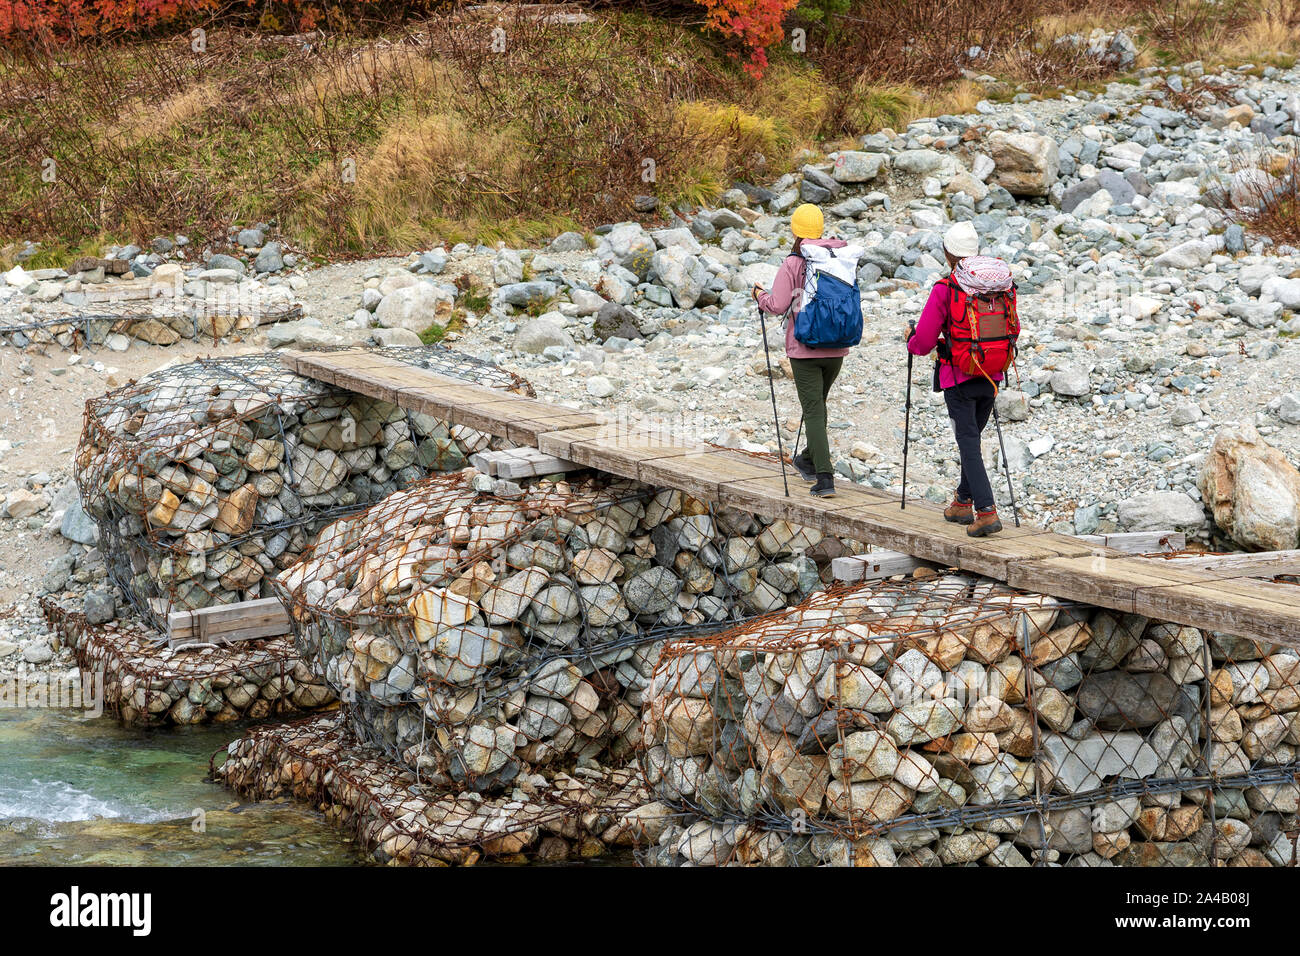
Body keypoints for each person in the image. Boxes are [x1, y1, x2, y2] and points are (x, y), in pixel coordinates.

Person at [906, 221, 1006, 537]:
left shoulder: (946, 288)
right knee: (972, 440)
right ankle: (962, 503)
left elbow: (922, 343)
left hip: (959, 377)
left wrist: (910, 339)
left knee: (968, 444)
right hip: (992, 373)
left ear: (948, 253)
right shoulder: (997, 286)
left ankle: (986, 512)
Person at [752, 203, 848, 498]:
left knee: (814, 410)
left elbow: (778, 305)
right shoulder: (838, 257)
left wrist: (759, 296)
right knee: (817, 407)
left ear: (794, 230)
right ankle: (807, 459)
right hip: (837, 347)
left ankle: (825, 478)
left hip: (805, 349)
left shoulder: (793, 263)